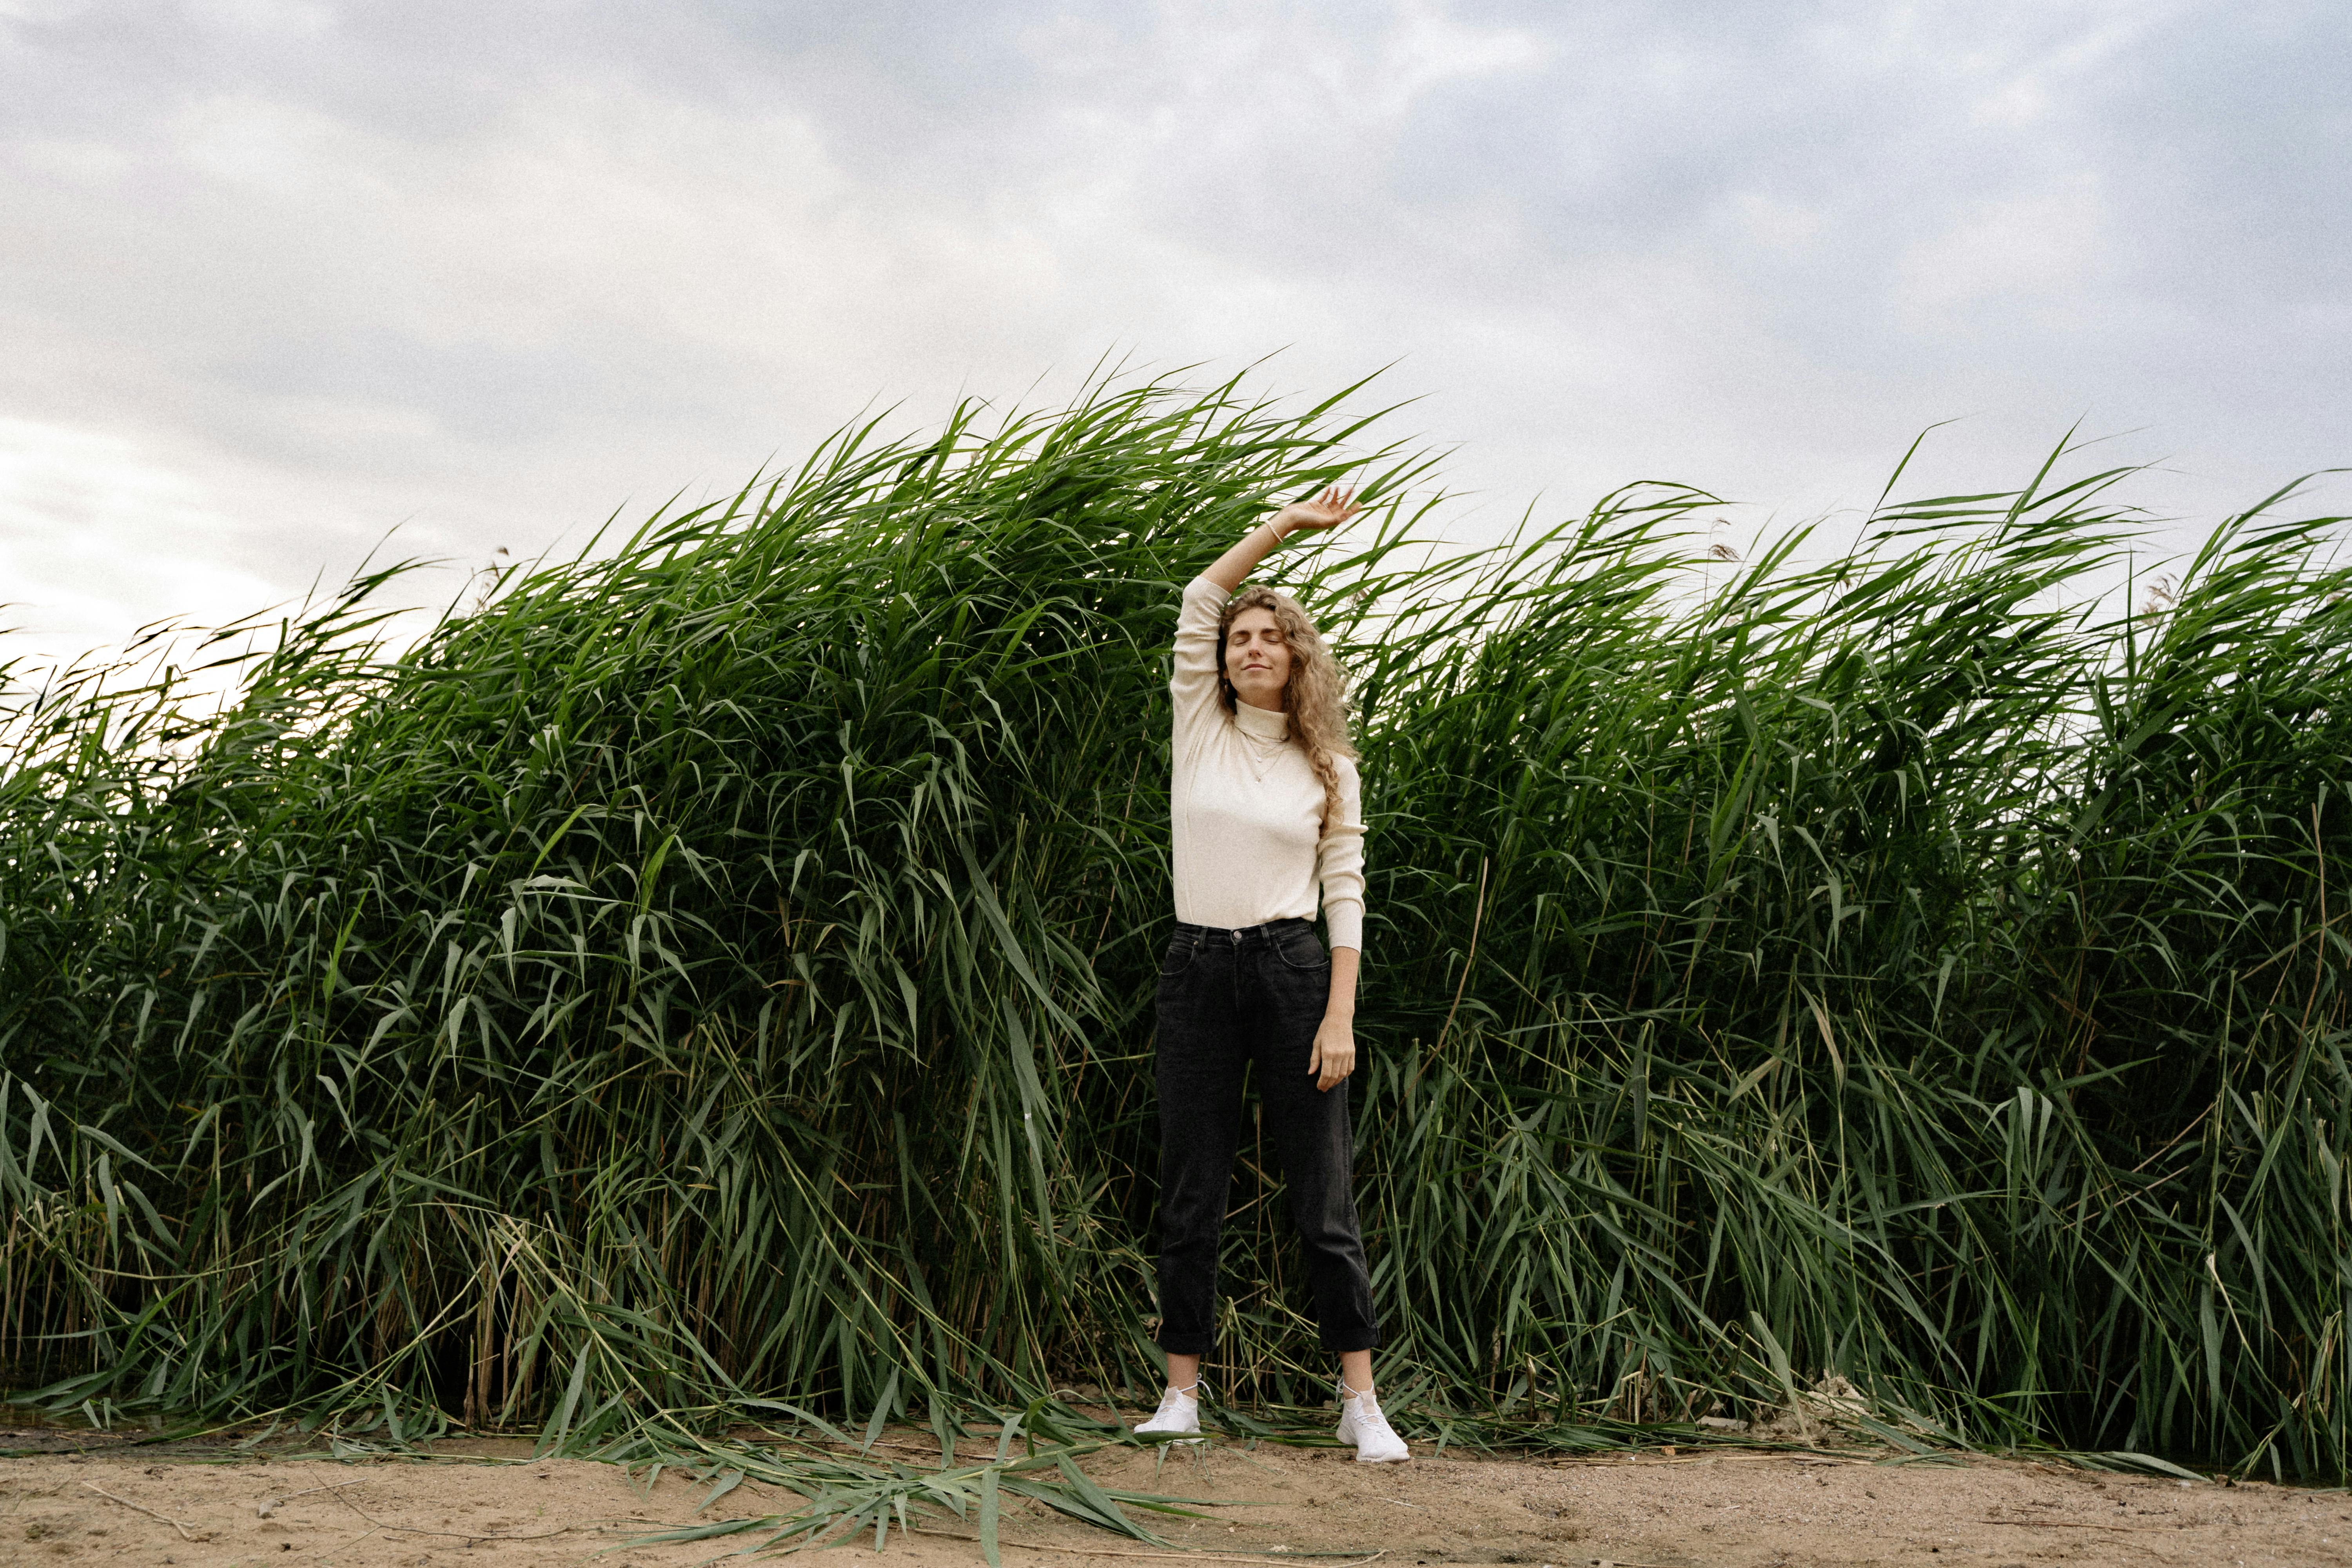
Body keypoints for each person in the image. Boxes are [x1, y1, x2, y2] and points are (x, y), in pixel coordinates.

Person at [1132, 487, 1409, 1463]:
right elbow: (1200, 594)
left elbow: (1346, 892)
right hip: (1199, 966)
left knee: (1323, 1196)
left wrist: (1340, 1014)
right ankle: (1182, 1392)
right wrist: (1286, 525)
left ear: (1296, 657)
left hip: (1295, 972)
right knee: (1190, 1185)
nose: (1249, 645)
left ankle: (1361, 1400)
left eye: (1269, 637)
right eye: (1240, 637)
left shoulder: (1328, 762)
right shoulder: (1196, 726)